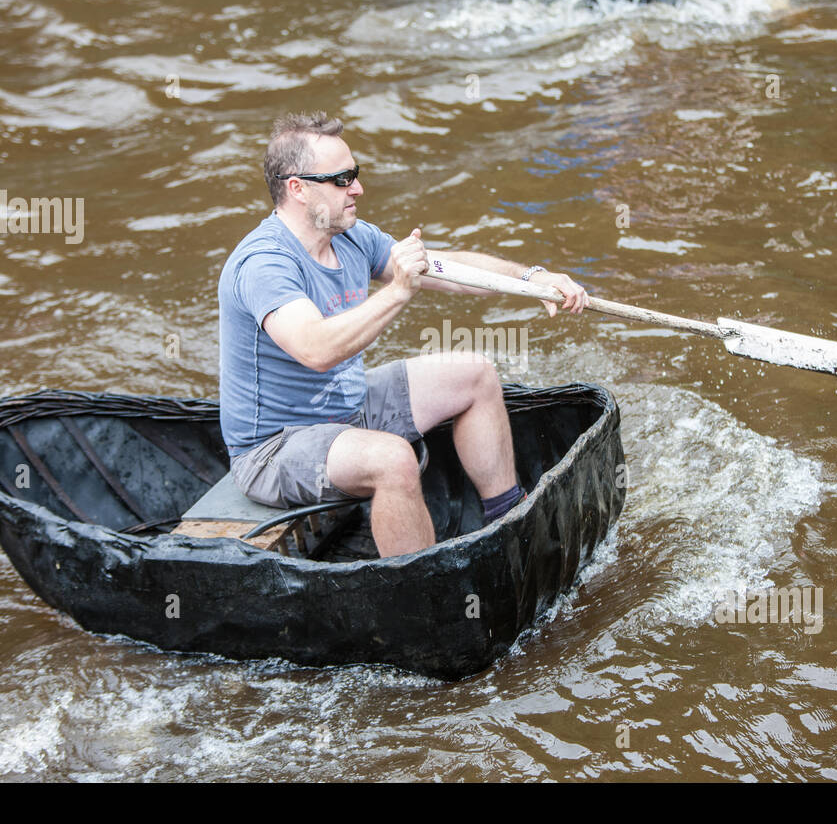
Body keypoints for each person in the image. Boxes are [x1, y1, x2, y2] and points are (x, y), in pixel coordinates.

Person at [218, 112, 588, 558]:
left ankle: (510, 525)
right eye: (341, 179)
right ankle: (427, 587)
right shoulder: (264, 264)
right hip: (275, 448)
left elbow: (448, 271)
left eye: (355, 174)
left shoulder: (352, 236)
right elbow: (316, 349)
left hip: (347, 409)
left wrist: (533, 279)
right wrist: (397, 291)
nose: (357, 188)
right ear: (297, 188)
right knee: (393, 458)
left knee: (474, 373)